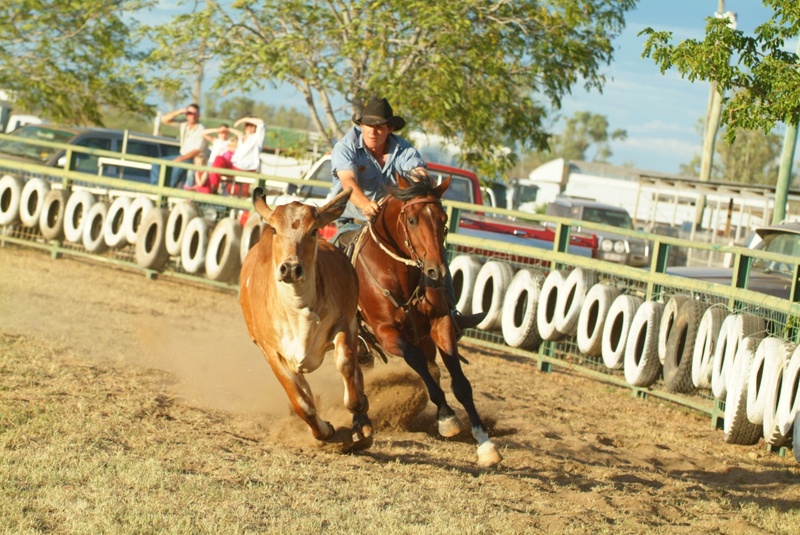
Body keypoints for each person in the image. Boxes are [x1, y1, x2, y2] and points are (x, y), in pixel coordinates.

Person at [329, 96, 486, 335]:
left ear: (390, 128)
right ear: (361, 126)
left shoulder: (403, 149)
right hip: (353, 218)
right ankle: (331, 315)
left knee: (435, 254)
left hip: (391, 225)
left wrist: (421, 181)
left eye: (380, 126)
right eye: (369, 125)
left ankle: (450, 314)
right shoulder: (346, 147)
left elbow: (418, 171)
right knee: (334, 255)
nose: (374, 131)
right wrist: (365, 205)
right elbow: (348, 182)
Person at [150, 104, 209, 188]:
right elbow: (164, 120)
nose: (192, 116)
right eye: (189, 113)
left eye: (194, 114)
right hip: (182, 156)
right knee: (156, 162)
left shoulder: (201, 129)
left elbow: (196, 151)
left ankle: (169, 190)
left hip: (195, 160)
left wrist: (179, 159)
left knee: (178, 167)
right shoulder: (184, 124)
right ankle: (156, 188)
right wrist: (178, 112)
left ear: (199, 115)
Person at [210, 116, 266, 197]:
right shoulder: (243, 137)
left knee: (240, 194)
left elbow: (261, 123)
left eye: (252, 125)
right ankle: (213, 189)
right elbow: (240, 134)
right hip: (235, 166)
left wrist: (243, 120)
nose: (249, 127)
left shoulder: (257, 138)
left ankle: (241, 203)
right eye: (247, 125)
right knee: (218, 159)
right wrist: (227, 129)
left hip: (246, 169)